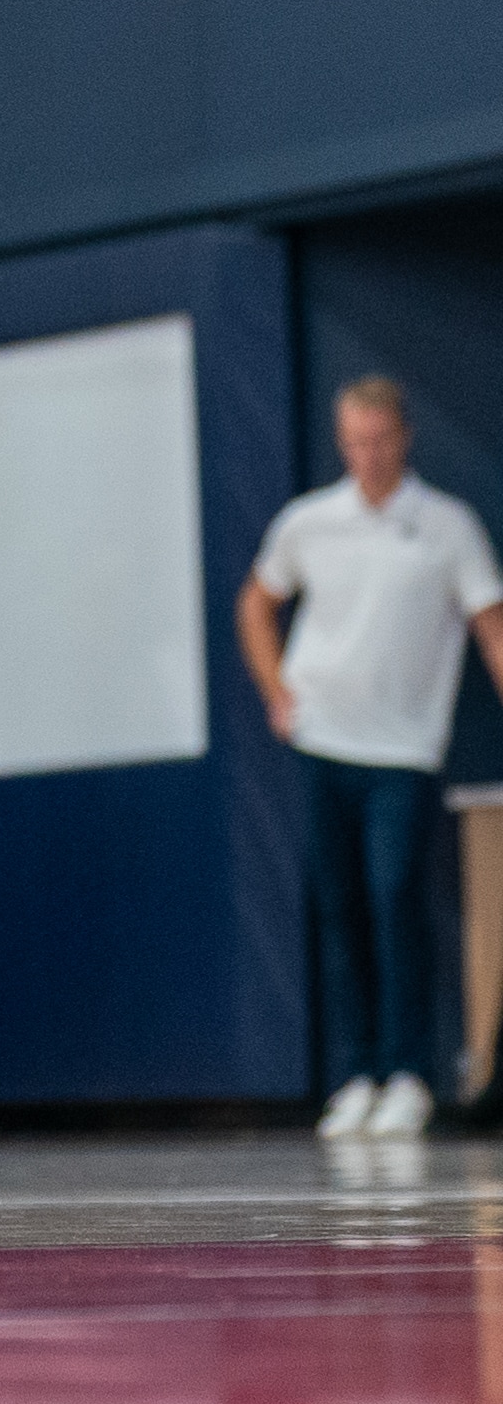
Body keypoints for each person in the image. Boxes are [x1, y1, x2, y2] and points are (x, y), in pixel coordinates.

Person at [238, 377, 503, 1142]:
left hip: (405, 749)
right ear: (340, 441)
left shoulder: (449, 526)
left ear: (405, 435)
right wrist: (276, 689)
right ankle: (356, 1075)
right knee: (339, 905)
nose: (368, 455)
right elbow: (255, 603)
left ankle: (409, 1074)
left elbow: (490, 627)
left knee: (395, 899)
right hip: (325, 741)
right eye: (354, 442)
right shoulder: (308, 523)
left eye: (380, 440)